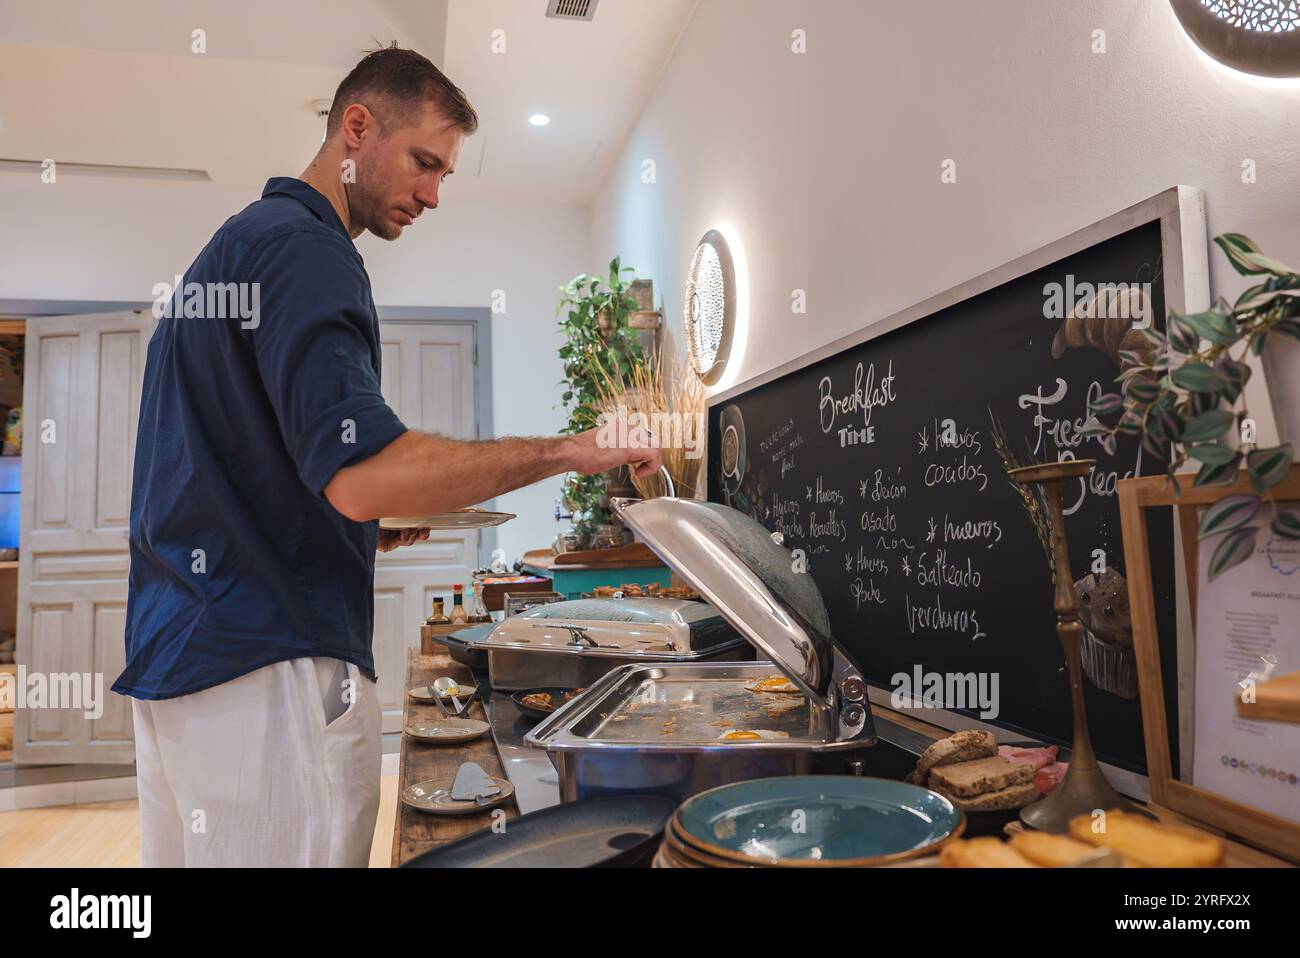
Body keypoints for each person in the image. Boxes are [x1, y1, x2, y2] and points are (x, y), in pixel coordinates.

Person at [115, 45, 661, 867]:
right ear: (356, 128)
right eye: (425, 162)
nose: (434, 194)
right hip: (268, 672)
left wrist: (350, 531)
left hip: (183, 661)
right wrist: (572, 449)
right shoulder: (308, 248)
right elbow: (367, 475)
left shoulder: (232, 252)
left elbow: (238, 475)